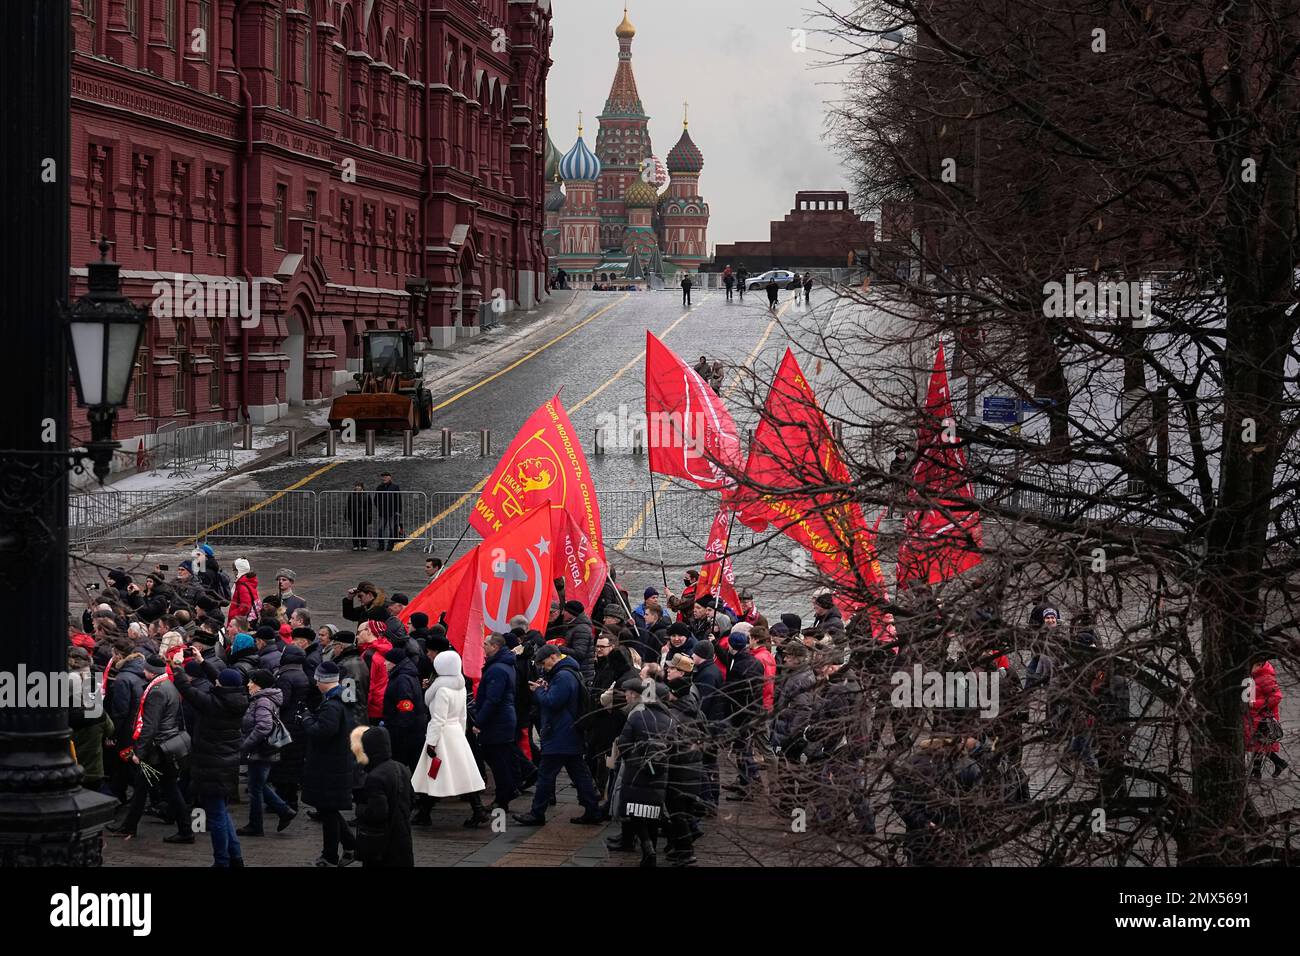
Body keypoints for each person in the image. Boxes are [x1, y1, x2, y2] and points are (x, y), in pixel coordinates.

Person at [512, 645, 602, 826]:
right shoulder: (568, 673)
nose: (543, 668)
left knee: (546, 774)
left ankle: (537, 813)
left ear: (554, 657)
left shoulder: (563, 676)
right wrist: (545, 688)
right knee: (579, 773)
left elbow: (552, 701)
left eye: (544, 664)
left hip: (560, 733)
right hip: (568, 732)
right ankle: (593, 809)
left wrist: (538, 691)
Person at [107, 655, 193, 843]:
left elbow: (150, 725)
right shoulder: (168, 686)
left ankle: (184, 830)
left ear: (150, 671)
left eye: (144, 669)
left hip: (157, 749)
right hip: (164, 746)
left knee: (155, 788)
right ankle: (130, 826)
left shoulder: (156, 691)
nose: (142, 672)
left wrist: (139, 752)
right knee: (152, 787)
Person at [172, 660, 250, 866]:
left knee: (216, 817)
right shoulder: (239, 699)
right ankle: (235, 857)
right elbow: (222, 679)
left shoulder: (212, 704)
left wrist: (176, 668)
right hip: (227, 765)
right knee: (222, 813)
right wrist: (203, 662)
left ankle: (221, 861)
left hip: (211, 766)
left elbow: (187, 689)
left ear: (220, 685)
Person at [411, 650, 490, 827]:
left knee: (431, 773)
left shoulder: (441, 690)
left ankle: (424, 813)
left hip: (442, 734)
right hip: (455, 733)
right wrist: (460, 734)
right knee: (463, 772)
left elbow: (438, 719)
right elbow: (463, 715)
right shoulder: (460, 687)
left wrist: (431, 741)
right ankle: (477, 809)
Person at [300, 662, 357, 866]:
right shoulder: (342, 700)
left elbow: (322, 732)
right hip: (336, 763)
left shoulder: (332, 705)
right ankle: (350, 845)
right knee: (328, 809)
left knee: (328, 811)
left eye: (317, 680)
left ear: (323, 681)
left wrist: (306, 719)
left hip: (329, 765)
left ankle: (330, 855)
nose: (315, 683)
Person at [612, 678, 674, 867]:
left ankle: (648, 848)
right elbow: (674, 747)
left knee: (636, 812)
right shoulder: (670, 720)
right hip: (659, 773)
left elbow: (623, 742)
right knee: (653, 814)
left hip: (636, 772)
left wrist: (632, 758)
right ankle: (651, 850)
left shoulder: (637, 716)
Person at [237, 668, 297, 836]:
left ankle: (256, 826)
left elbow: (264, 726)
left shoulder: (262, 701)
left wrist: (246, 745)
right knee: (258, 785)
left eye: (252, 682)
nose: (248, 685)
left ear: (260, 685)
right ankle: (284, 811)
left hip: (260, 750)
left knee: (255, 788)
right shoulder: (263, 699)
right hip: (263, 749)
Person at [351, 725, 415, 867]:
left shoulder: (375, 777)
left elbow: (377, 813)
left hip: (383, 842)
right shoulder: (401, 768)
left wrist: (360, 809)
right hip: (402, 835)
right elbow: (411, 799)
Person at [472, 634, 521, 814]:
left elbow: (492, 699)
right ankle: (507, 792)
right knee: (502, 758)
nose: (483, 646)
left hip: (497, 721)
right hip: (503, 719)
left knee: (497, 760)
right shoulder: (503, 666)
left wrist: (479, 721)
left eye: (485, 644)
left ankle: (503, 797)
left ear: (495, 647)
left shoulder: (497, 670)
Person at [723, 629, 765, 800]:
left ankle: (748, 785)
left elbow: (735, 692)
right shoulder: (754, 662)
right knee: (743, 749)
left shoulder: (739, 667)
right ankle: (745, 779)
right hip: (752, 710)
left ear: (732, 646)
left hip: (742, 713)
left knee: (743, 750)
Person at [1246, 657, 1287, 778]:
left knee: (1260, 743)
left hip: (1264, 718)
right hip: (1256, 716)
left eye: (1251, 665)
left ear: (1259, 664)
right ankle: (1257, 771)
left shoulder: (1265, 677)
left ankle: (1277, 763)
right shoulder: (1254, 676)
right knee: (1258, 743)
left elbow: (1276, 697)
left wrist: (1254, 704)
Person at [560, 599, 596, 685]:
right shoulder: (575, 626)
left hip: (582, 675)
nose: (562, 613)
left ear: (571, 613)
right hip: (577, 673)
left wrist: (559, 648)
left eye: (564, 611)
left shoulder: (581, 629)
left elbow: (579, 653)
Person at [374, 471, 403, 551]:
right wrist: (380, 508)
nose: (384, 478)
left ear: (390, 477)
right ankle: (381, 545)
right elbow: (376, 499)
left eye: (386, 476)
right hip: (382, 513)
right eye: (383, 476)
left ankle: (390, 545)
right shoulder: (379, 487)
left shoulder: (395, 487)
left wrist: (398, 511)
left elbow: (398, 499)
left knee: (392, 529)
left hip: (393, 512)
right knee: (380, 529)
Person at [228, 558, 259, 629]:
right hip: (244, 619)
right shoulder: (248, 581)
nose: (233, 572)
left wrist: (233, 615)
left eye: (234, 569)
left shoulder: (242, 585)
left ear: (239, 570)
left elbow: (245, 606)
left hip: (238, 621)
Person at [346, 482, 373, 551]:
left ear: (362, 487)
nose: (357, 487)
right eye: (356, 486)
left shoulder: (366, 495)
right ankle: (356, 545)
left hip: (364, 516)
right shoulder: (352, 495)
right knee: (355, 531)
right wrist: (347, 515)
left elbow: (370, 507)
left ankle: (364, 545)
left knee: (363, 530)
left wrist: (369, 516)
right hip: (354, 515)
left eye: (359, 486)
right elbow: (348, 506)